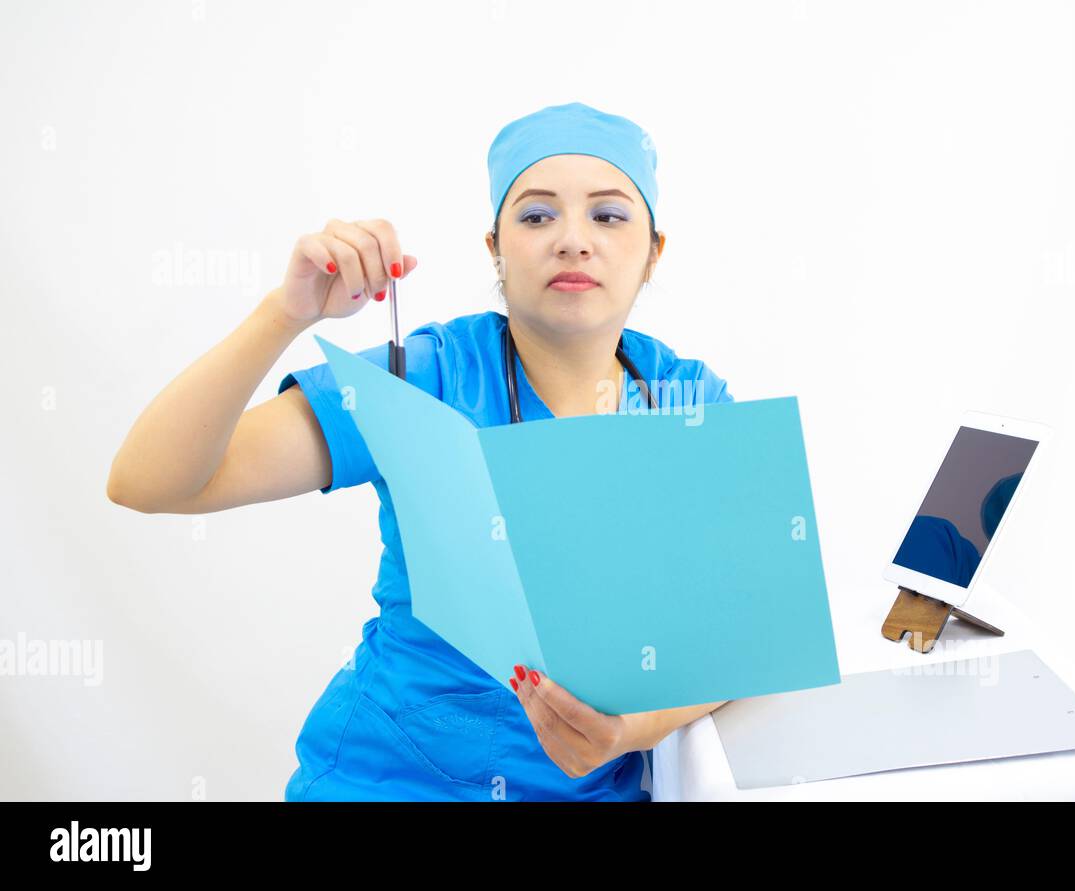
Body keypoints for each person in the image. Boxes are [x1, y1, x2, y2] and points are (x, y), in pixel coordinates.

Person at [107, 102, 733, 801]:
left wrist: (632, 730)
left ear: (654, 251)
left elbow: (743, 633)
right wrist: (287, 312)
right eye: (535, 216)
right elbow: (148, 480)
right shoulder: (423, 378)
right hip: (385, 779)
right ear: (495, 249)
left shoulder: (686, 400)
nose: (573, 240)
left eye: (609, 215)